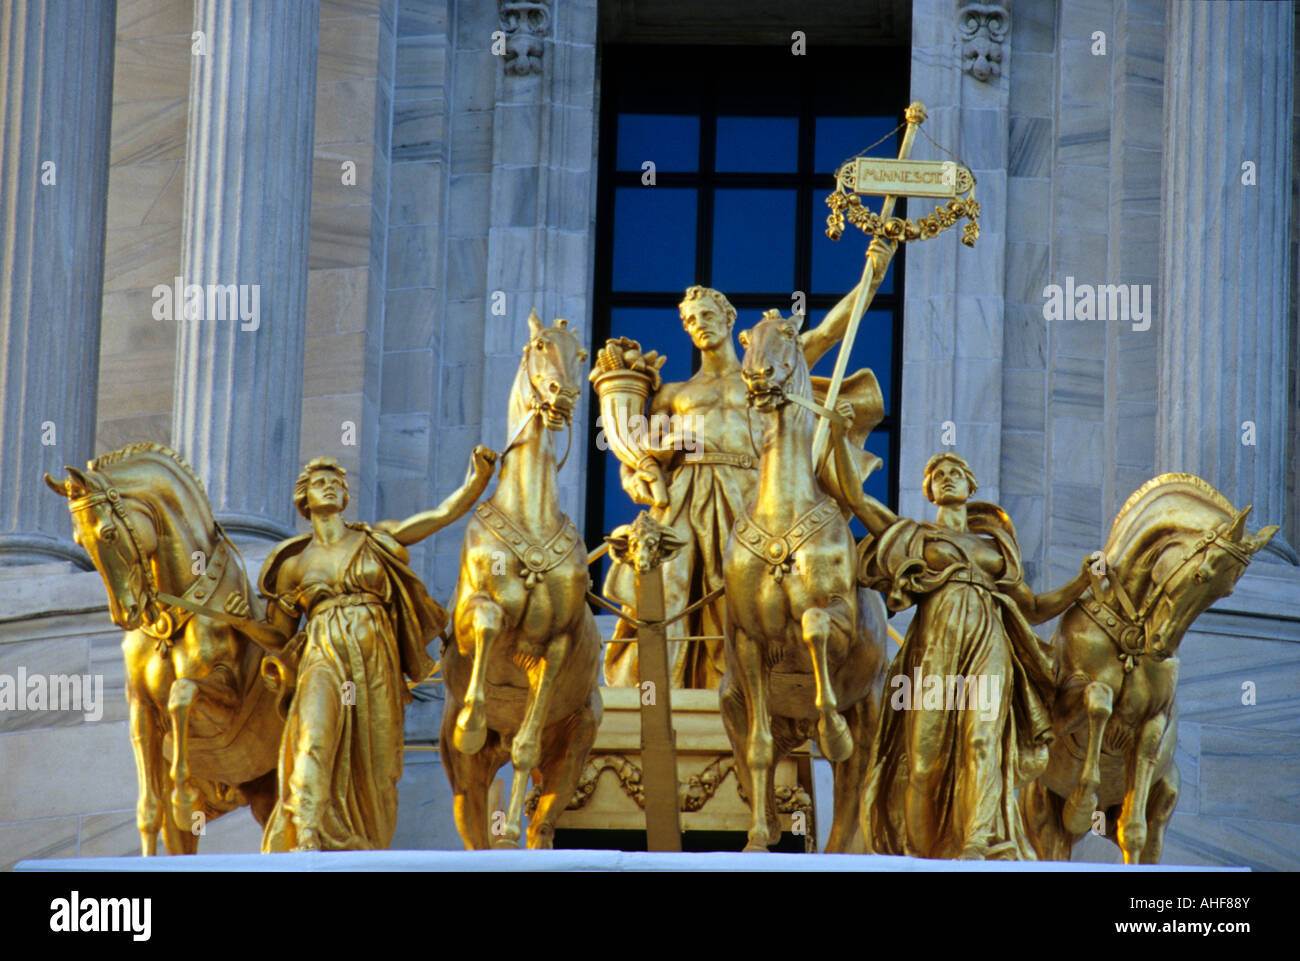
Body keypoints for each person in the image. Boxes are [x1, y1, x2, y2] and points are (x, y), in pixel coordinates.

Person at [601, 258, 888, 689]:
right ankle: (661, 689)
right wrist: (639, 477)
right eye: (691, 319)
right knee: (666, 589)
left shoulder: (763, 373)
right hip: (684, 502)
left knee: (749, 597)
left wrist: (873, 276)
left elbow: (831, 331)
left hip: (752, 496)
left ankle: (750, 686)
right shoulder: (673, 394)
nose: (700, 324)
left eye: (709, 315)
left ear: (730, 318)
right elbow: (637, 456)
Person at [224, 446, 496, 851]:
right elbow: (279, 636)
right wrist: (243, 623)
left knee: (379, 764)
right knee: (313, 735)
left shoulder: (375, 538)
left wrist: (476, 482)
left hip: (375, 659)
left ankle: (366, 842)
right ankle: (309, 833)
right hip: (322, 653)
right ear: (305, 500)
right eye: (320, 484)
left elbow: (439, 517)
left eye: (337, 483)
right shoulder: (293, 565)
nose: (330, 488)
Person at [833, 448, 1090, 859]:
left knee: (983, 742)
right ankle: (919, 853)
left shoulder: (994, 548)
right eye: (939, 474)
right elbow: (858, 499)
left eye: (957, 472)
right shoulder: (913, 535)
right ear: (929, 491)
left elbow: (1034, 608)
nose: (948, 477)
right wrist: (840, 434)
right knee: (923, 764)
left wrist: (1081, 581)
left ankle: (977, 842)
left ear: (972, 486)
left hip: (989, 644)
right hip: (934, 650)